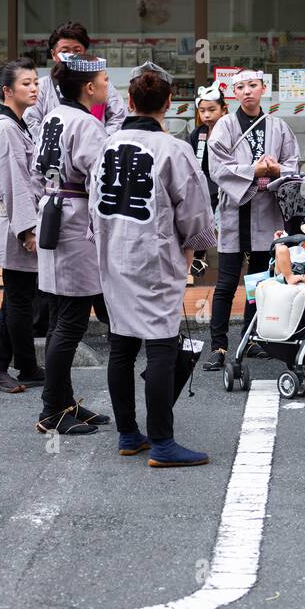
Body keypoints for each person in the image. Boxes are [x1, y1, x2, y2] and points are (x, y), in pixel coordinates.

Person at [92, 63, 218, 467]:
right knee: (161, 344)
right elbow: (196, 212)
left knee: (122, 345)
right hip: (155, 255)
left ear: (129, 101)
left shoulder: (107, 145)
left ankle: (129, 433)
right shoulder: (173, 149)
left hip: (113, 254)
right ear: (169, 103)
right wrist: (194, 253)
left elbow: (93, 207)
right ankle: (162, 441)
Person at [31, 52, 113, 435]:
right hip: (77, 215)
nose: (108, 86)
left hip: (52, 209)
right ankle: (52, 410)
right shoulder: (86, 124)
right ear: (89, 87)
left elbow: (36, 171)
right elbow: (99, 182)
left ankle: (64, 402)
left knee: (62, 314)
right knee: (72, 319)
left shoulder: (51, 116)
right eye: (104, 80)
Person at [203, 70, 300, 371]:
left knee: (261, 281)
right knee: (226, 283)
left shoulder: (279, 126)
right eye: (241, 87)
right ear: (234, 93)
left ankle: (253, 336)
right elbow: (217, 167)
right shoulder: (225, 126)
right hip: (235, 210)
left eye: (253, 86)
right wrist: (254, 171)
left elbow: (293, 163)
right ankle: (219, 346)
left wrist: (276, 170)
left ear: (263, 89)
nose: (247, 92)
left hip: (267, 210)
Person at [0, 57, 45, 393]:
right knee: (19, 300)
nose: (34, 88)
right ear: (8, 90)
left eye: (36, 82)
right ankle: (11, 367)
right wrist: (27, 229)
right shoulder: (5, 127)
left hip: (20, 218)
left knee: (17, 298)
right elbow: (13, 183)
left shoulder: (19, 123)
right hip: (15, 221)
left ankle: (20, 366)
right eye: (26, 83)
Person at [25, 21, 127, 140]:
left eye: (77, 51)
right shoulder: (41, 86)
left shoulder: (100, 83)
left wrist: (100, 140)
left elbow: (119, 116)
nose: (71, 57)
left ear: (85, 53)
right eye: (65, 51)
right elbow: (30, 121)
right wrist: (58, 144)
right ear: (53, 54)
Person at [185, 83, 227, 278]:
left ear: (223, 109)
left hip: (226, 186)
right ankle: (198, 262)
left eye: (212, 109)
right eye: (202, 111)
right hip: (204, 188)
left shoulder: (230, 131)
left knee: (225, 227)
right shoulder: (198, 133)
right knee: (202, 225)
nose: (207, 115)